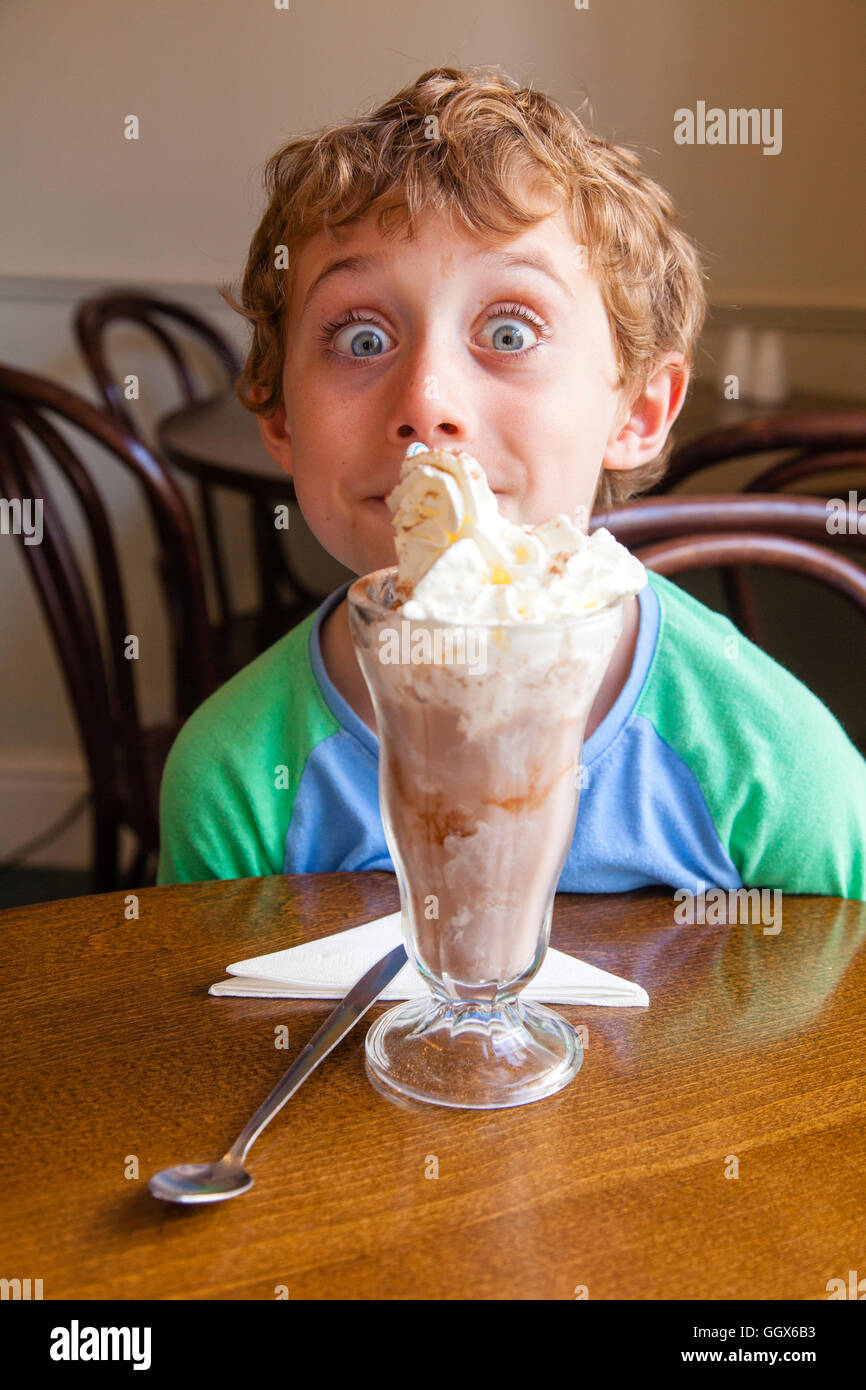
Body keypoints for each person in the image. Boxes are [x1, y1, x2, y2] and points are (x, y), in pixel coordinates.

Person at [157, 66, 866, 900]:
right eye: (359, 339)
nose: (428, 402)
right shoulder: (235, 783)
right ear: (278, 416)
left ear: (637, 408)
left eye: (507, 329)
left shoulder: (776, 771)